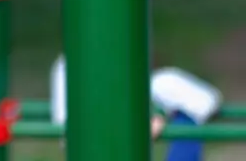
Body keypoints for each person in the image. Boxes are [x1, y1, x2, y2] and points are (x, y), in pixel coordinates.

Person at [51, 55, 221, 160]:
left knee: (182, 113)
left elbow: (207, 101)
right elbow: (68, 133)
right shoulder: (71, 64)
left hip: (159, 108)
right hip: (96, 138)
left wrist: (157, 117)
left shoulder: (162, 83)